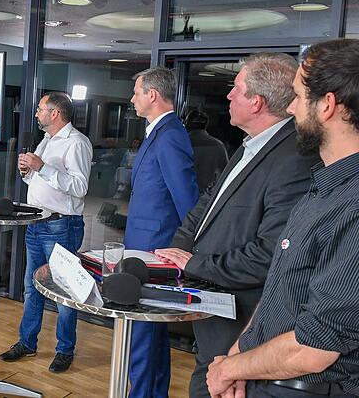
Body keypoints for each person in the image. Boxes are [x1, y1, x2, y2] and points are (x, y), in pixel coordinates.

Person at [154, 53, 319, 398]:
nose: (228, 96)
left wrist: (195, 264)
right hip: (212, 314)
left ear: (256, 103)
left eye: (236, 88)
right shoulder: (250, 146)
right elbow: (204, 208)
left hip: (243, 324)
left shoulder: (294, 158)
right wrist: (176, 254)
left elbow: (272, 253)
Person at [205, 39, 359, 398]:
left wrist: (230, 368)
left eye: (297, 96)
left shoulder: (352, 204)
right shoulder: (324, 185)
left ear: (327, 105)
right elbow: (282, 286)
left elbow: (314, 347)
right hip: (265, 377)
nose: (290, 108)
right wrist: (240, 354)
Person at [0, 91, 93, 373]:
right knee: (31, 288)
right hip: (36, 223)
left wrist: (43, 167)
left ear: (55, 113)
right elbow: (37, 179)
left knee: (64, 292)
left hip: (61, 226)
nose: (36, 113)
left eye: (40, 109)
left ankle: (65, 350)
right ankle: (27, 343)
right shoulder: (46, 140)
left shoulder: (76, 143)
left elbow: (79, 187)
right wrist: (28, 171)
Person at [125, 67, 199, 398]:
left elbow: (187, 199)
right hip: (144, 242)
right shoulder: (161, 131)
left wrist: (189, 248)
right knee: (150, 331)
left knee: (142, 331)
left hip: (154, 248)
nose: (132, 98)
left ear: (152, 95)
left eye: (137, 92)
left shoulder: (170, 135)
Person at [184, 109, 229, 193]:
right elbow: (225, 174)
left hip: (180, 195)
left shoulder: (179, 145)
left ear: (186, 124)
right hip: (205, 197)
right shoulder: (218, 145)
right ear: (206, 125)